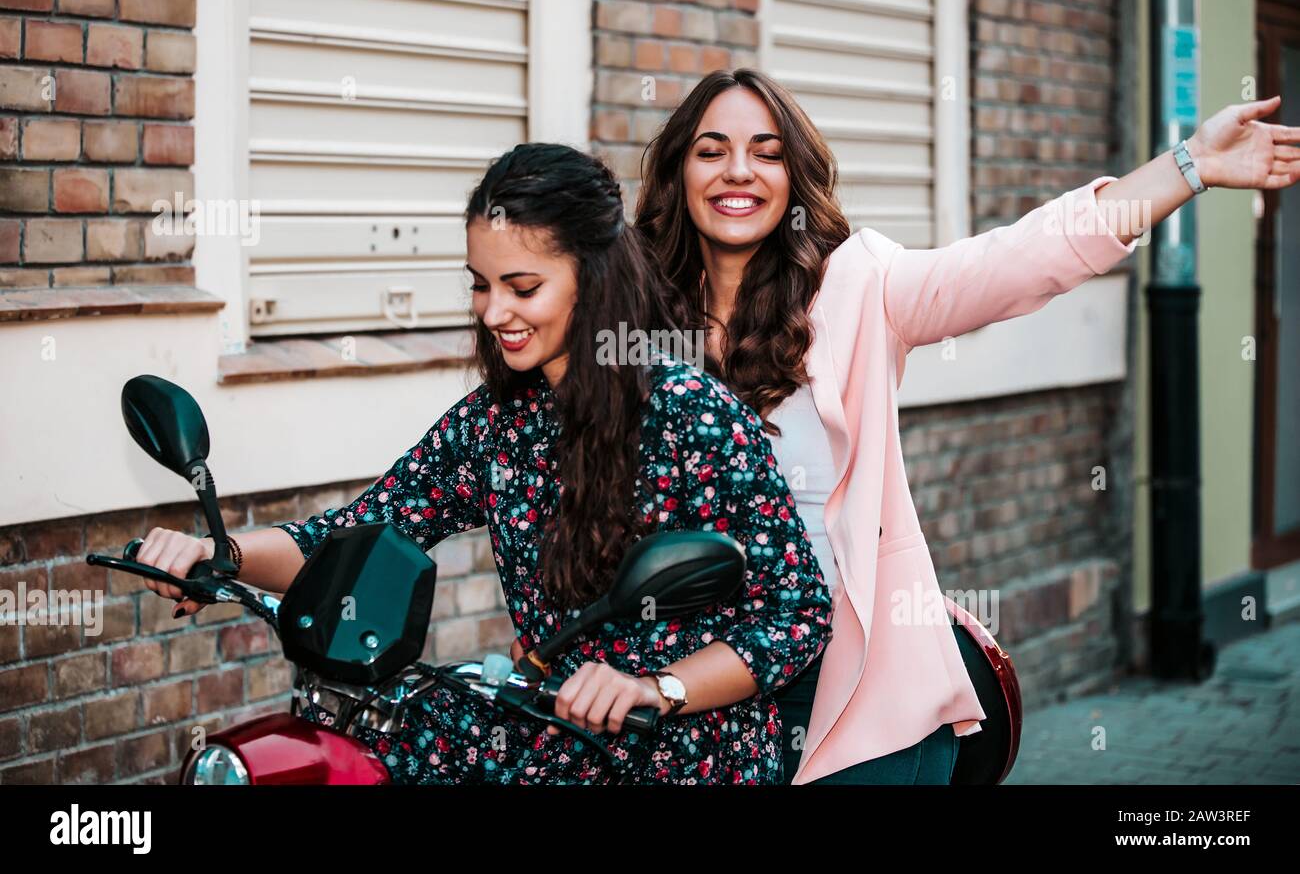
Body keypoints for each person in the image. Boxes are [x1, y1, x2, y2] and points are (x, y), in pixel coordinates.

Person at [630, 69, 1300, 784]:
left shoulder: (859, 285)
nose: (739, 170)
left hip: (854, 691)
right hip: (693, 685)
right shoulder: (636, 315)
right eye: (711, 150)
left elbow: (1018, 260)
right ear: (678, 170)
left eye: (766, 151)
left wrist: (1188, 166)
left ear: (795, 176)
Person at [133, 142, 831, 784]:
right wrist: (216, 555)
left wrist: (658, 686)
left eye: (523, 288)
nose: (495, 312)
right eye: (480, 285)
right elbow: (355, 536)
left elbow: (796, 614)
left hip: (686, 748)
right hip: (554, 729)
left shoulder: (690, 413)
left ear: (593, 280)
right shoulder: (498, 420)